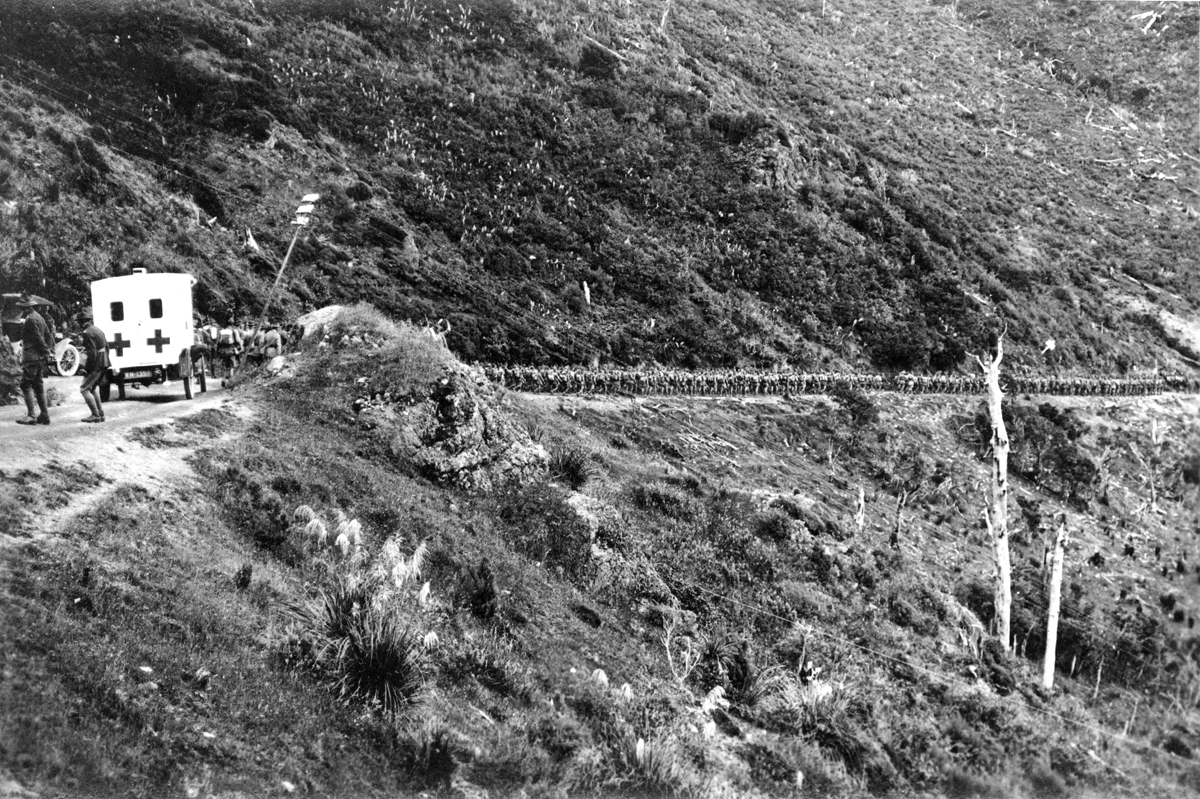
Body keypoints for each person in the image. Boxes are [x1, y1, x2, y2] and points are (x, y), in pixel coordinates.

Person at [15, 292, 52, 425]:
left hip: (31, 358)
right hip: (38, 358)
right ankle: (45, 415)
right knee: (38, 386)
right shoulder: (39, 317)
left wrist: (46, 353)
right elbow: (48, 335)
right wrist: (46, 353)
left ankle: (31, 415)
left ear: (24, 307)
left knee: (25, 384)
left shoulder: (30, 319)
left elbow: (38, 338)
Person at [76, 309, 109, 423]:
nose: (78, 324)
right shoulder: (98, 330)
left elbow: (92, 353)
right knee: (93, 388)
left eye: (79, 321)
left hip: (96, 363)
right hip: (104, 361)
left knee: (84, 389)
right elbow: (107, 347)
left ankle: (95, 414)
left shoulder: (87, 333)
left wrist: (86, 369)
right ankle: (101, 414)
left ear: (82, 321)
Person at [216, 316, 243, 384]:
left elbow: (218, 342)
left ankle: (223, 379)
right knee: (232, 365)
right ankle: (230, 380)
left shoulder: (221, 331)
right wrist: (241, 345)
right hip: (231, 350)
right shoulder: (234, 331)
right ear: (233, 324)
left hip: (223, 351)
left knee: (225, 365)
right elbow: (238, 340)